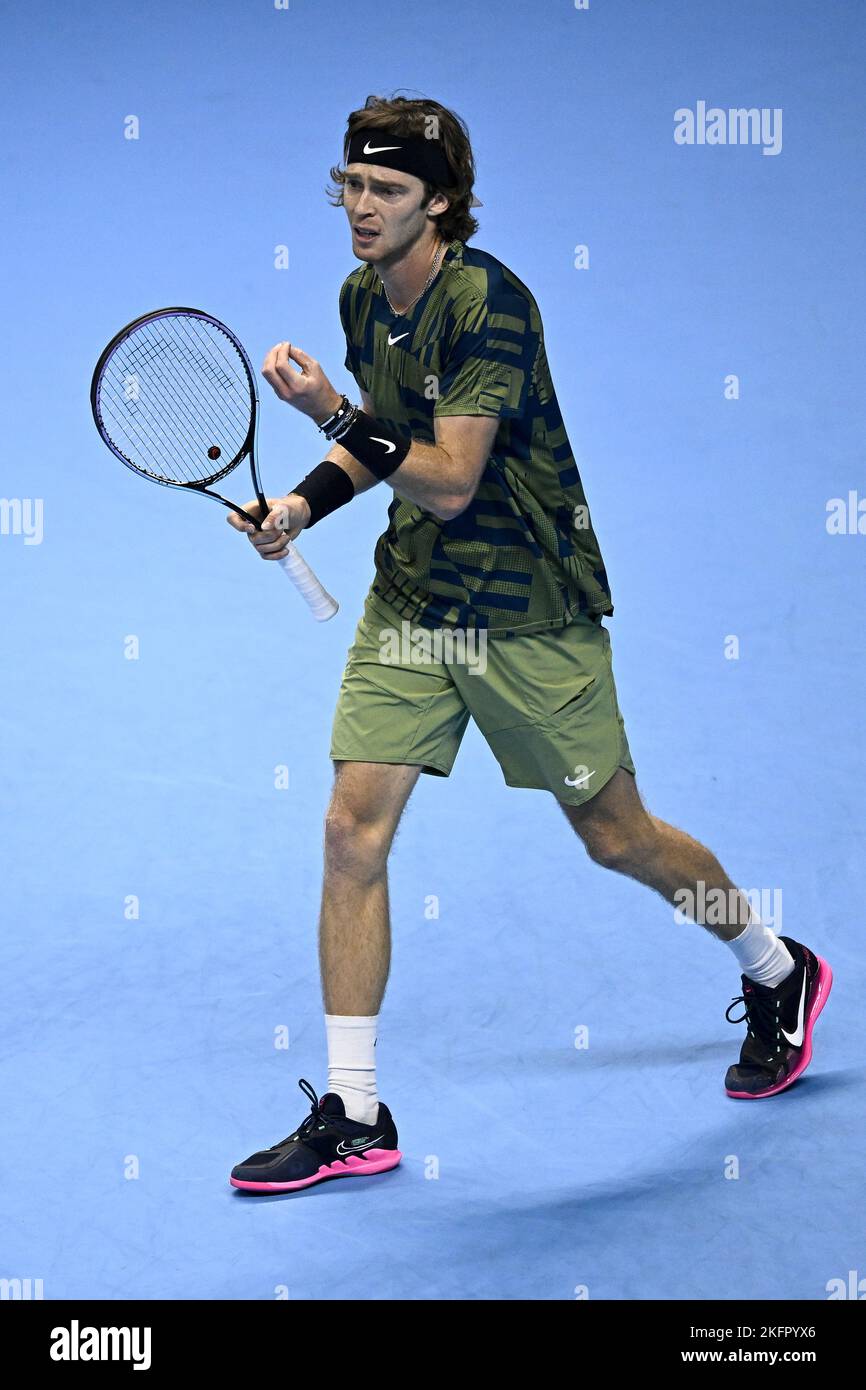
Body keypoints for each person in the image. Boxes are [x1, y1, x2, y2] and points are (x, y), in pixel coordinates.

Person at [227, 94, 832, 1194]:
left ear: (441, 202)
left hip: (526, 612)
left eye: (387, 191)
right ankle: (354, 1110)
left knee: (617, 837)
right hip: (412, 603)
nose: (360, 209)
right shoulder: (364, 297)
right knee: (350, 832)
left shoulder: (489, 303)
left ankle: (775, 966)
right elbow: (385, 444)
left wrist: (324, 413)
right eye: (350, 186)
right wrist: (304, 506)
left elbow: (451, 479)